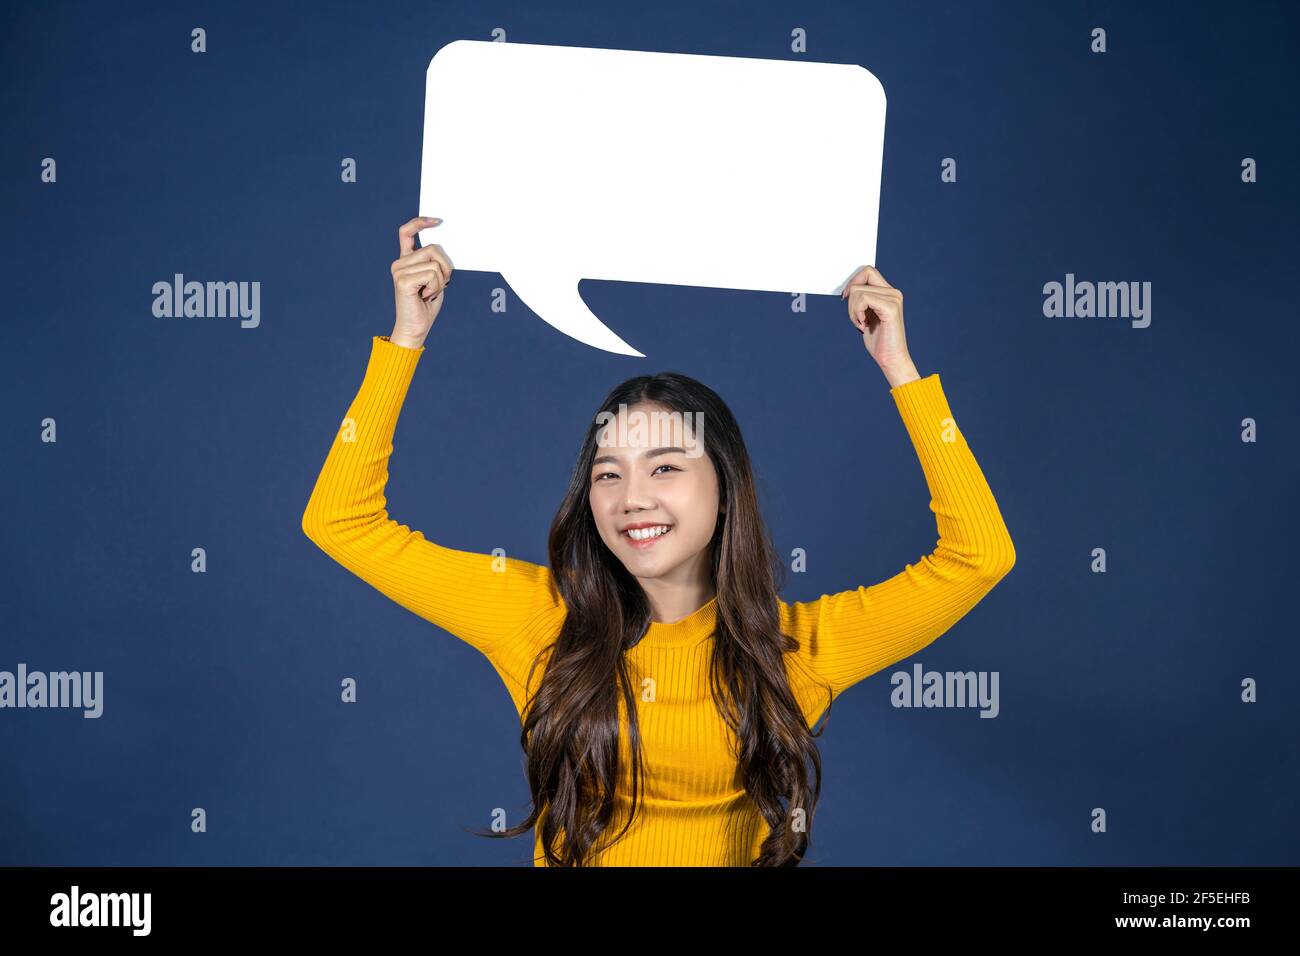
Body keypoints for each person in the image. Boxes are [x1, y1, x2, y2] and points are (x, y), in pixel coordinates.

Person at [301, 216, 1016, 866]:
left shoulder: (800, 649)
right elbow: (340, 521)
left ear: (725, 486)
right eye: (608, 474)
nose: (632, 496)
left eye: (666, 466)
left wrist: (900, 369)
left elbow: (979, 557)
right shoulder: (535, 617)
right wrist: (405, 342)